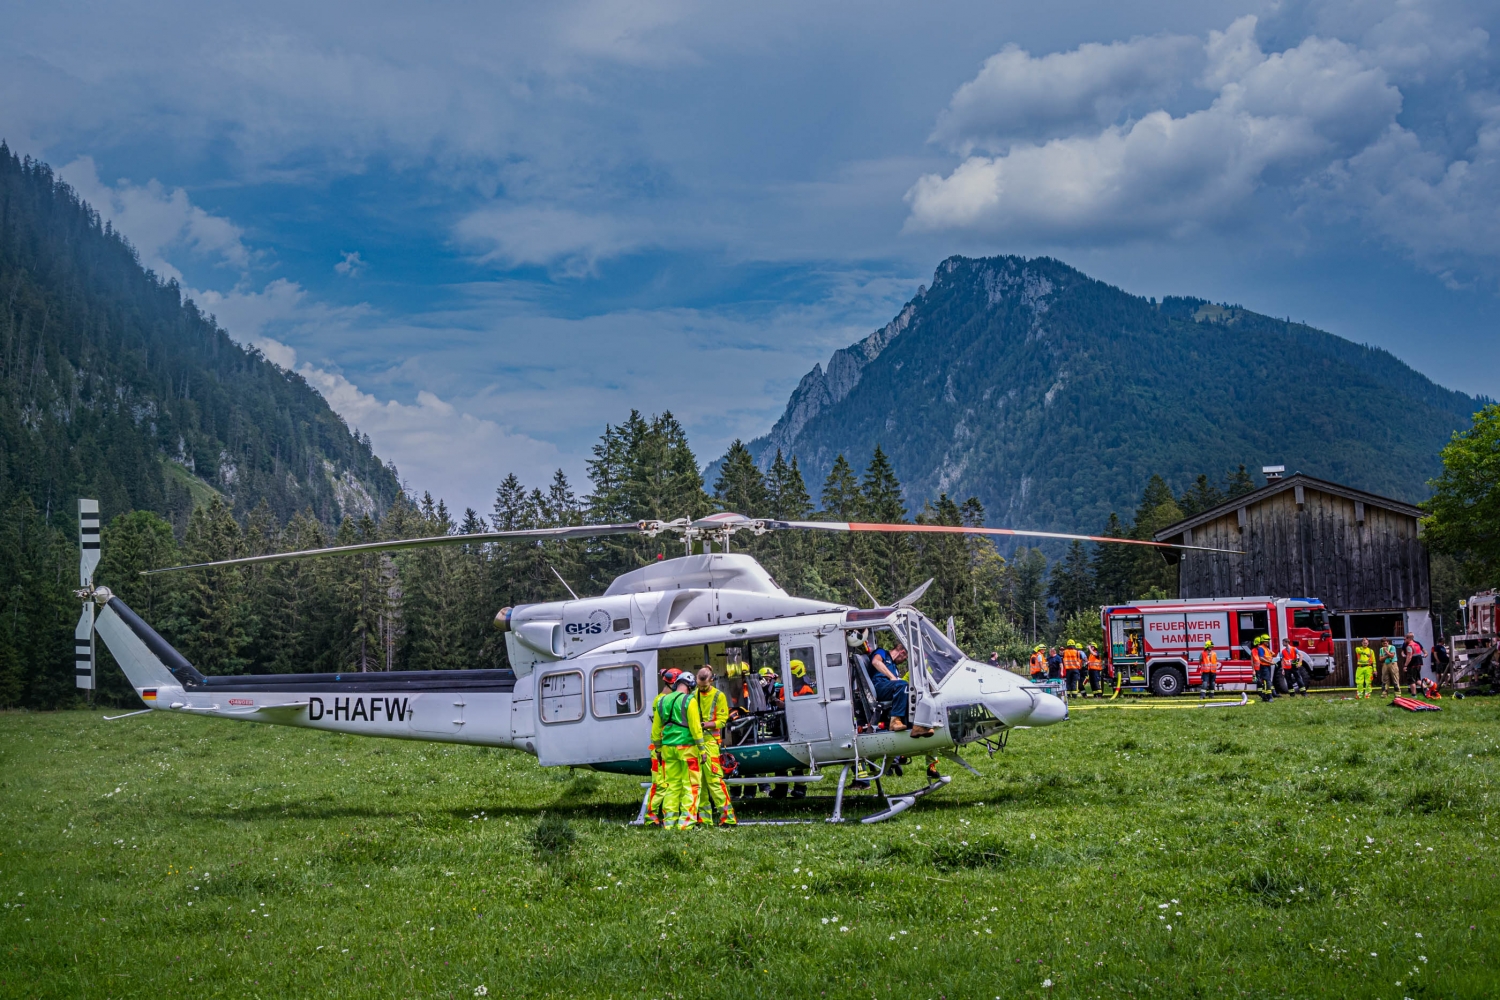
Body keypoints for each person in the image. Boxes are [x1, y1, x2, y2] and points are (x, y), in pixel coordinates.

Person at [650, 669, 705, 830]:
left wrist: (658, 750)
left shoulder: (661, 701)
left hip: (667, 749)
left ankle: (669, 822)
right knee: (691, 785)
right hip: (687, 749)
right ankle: (686, 824)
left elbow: (655, 729)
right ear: (691, 686)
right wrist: (702, 750)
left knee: (671, 786)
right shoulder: (690, 701)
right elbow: (695, 728)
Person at [692, 667, 737, 827]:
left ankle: (728, 818)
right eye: (699, 685)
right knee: (700, 783)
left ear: (712, 680)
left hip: (710, 742)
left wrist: (706, 725)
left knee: (714, 781)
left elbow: (723, 720)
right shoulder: (693, 694)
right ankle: (704, 819)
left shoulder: (719, 696)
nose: (701, 688)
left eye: (704, 686)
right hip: (696, 742)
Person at [644, 669, 681, 826]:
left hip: (666, 747)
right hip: (659, 748)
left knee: (670, 783)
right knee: (660, 784)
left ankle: (666, 815)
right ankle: (650, 816)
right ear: (673, 684)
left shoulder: (662, 698)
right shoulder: (662, 700)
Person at [866, 640, 910, 731]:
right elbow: (876, 662)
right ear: (902, 652)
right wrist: (892, 677)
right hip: (878, 686)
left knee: (907, 687)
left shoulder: (895, 667)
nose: (903, 661)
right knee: (903, 685)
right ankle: (895, 721)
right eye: (905, 658)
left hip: (888, 688)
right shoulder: (882, 652)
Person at [1252, 634, 1275, 701]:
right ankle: (1269, 697)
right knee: (1267, 681)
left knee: (1267, 681)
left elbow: (1268, 656)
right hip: (1264, 667)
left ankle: (1265, 697)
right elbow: (1261, 658)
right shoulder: (1261, 648)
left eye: (1268, 641)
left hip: (1267, 666)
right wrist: (1270, 662)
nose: (1268, 642)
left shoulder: (1266, 648)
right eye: (1266, 641)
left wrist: (1272, 655)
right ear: (1263, 641)